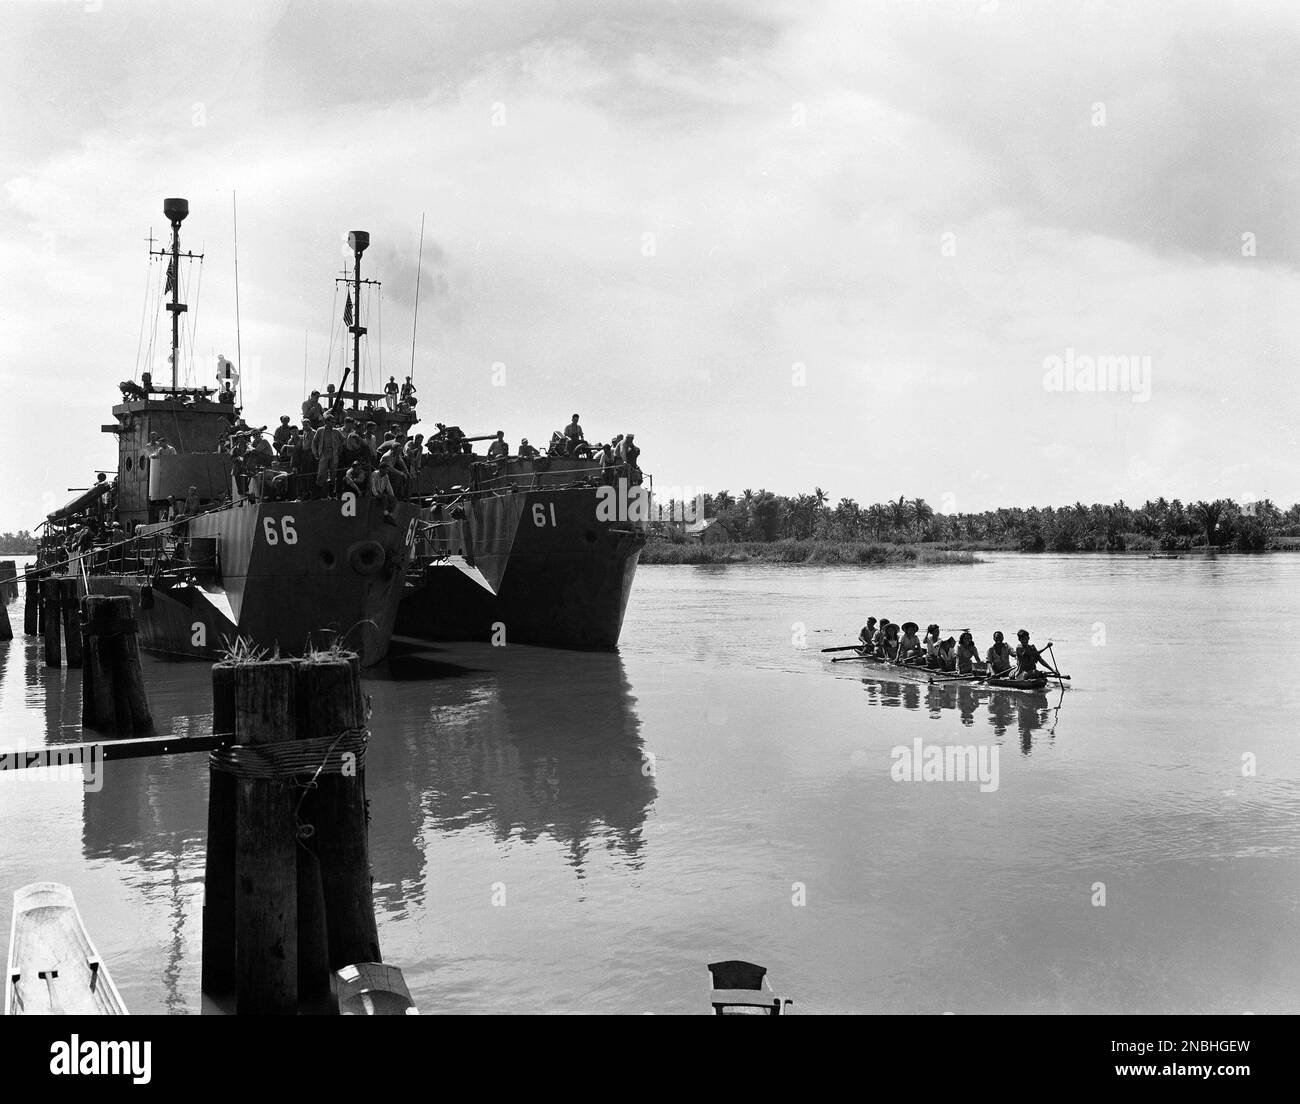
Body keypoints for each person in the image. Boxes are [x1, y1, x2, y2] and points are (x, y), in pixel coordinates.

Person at [312, 414, 344, 497]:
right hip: (323, 455)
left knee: (333, 475)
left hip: (334, 455)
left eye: (334, 421)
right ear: (326, 422)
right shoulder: (320, 430)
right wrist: (315, 453)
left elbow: (343, 440)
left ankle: (332, 493)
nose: (333, 423)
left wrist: (339, 450)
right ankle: (317, 494)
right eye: (331, 421)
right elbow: (314, 442)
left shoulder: (336, 431)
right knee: (321, 474)